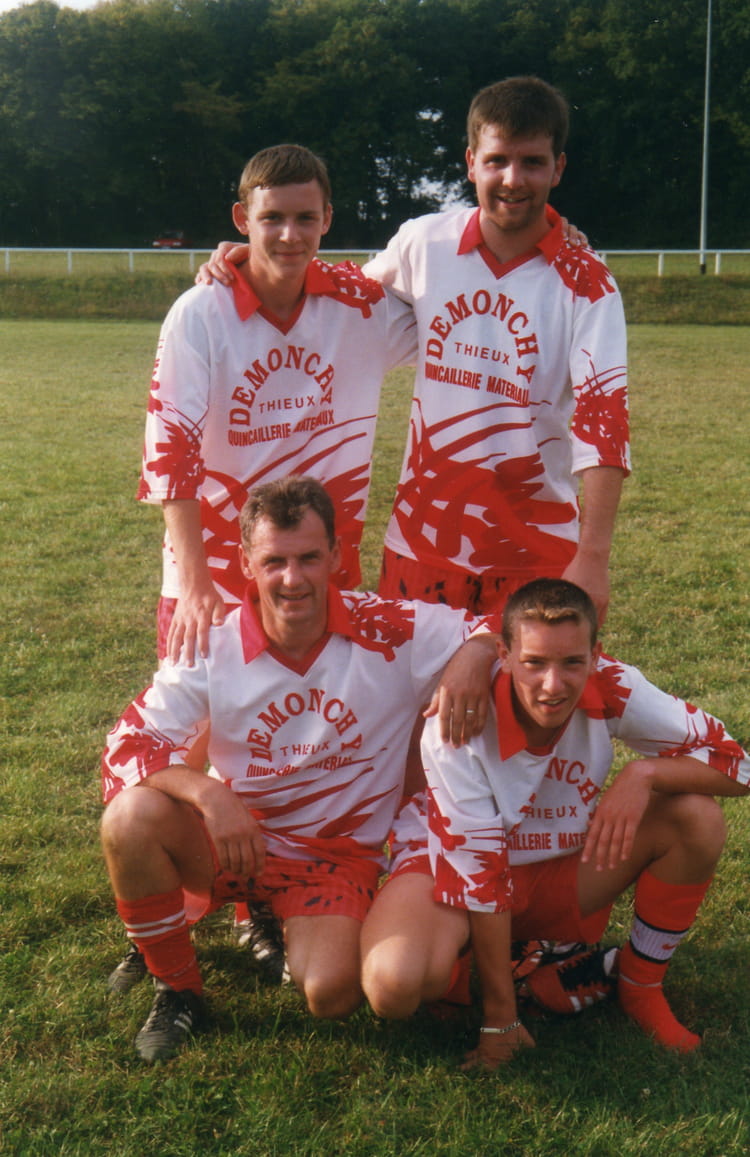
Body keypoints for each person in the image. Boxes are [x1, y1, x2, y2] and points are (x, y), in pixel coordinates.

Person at [130, 143, 417, 979]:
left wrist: (560, 236)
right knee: (187, 748)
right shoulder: (202, 314)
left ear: (328, 219)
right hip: (213, 573)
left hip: (315, 569)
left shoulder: (361, 307)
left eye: (304, 217)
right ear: (240, 221)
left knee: (287, 735)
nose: (288, 234)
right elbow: (170, 449)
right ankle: (163, 913)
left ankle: (266, 900)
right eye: (271, 218)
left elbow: (451, 296)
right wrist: (191, 578)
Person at [200, 77, 629, 624]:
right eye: (497, 161)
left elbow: (604, 426)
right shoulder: (425, 242)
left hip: (534, 551)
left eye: (532, 162)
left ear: (558, 168)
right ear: (471, 162)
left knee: (527, 705)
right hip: (420, 546)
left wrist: (592, 557)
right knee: (417, 707)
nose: (513, 179)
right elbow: (339, 298)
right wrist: (259, 260)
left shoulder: (587, 282)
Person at [100, 477, 497, 1062]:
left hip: (333, 859)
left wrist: (476, 655)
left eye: (310, 558)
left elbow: (498, 628)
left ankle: (275, 915)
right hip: (237, 840)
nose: (293, 579)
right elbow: (127, 744)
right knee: (130, 817)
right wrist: (209, 794)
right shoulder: (214, 641)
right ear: (246, 563)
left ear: (336, 556)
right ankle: (178, 988)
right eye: (275, 561)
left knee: (332, 993)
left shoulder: (388, 628)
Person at [360, 578, 749, 1068]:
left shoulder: (614, 684)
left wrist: (645, 772)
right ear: (502, 654)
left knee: (696, 817)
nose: (553, 683)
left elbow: (737, 765)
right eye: (534, 663)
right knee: (393, 985)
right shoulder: (458, 718)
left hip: (555, 870)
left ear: (595, 654)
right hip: (448, 875)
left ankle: (638, 983)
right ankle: (498, 968)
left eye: (572, 663)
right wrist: (499, 1022)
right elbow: (479, 875)